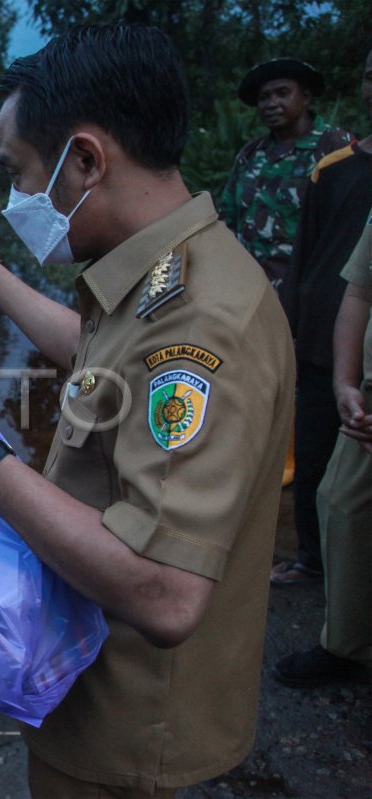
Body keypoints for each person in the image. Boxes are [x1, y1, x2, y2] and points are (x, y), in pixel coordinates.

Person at [0, 25, 294, 796]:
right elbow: (98, 355)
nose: (15, 198)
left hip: (122, 722)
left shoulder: (199, 323)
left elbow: (166, 591)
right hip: (83, 681)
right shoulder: (165, 272)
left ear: (85, 160)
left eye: (19, 173)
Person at [272, 48, 372, 586]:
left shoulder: (327, 147)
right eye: (370, 74)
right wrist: (291, 322)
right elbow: (304, 256)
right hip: (321, 336)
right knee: (313, 454)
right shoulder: (335, 168)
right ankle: (312, 558)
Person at [275, 210, 372, 686]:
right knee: (342, 507)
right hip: (366, 411)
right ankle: (346, 644)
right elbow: (359, 291)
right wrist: (345, 382)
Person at [217, 57, 353, 287]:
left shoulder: (336, 146)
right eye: (264, 97)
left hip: (306, 289)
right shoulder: (251, 153)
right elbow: (226, 219)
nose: (272, 103)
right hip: (248, 288)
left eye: (282, 93)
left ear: (305, 97)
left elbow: (348, 230)